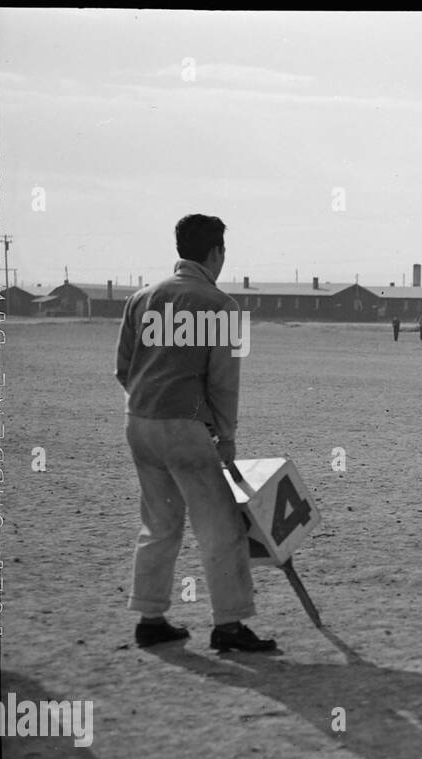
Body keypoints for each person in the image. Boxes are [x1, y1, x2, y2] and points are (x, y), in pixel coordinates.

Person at [114, 213, 277, 652]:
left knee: (160, 522)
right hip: (185, 427)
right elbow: (224, 381)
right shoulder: (221, 305)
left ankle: (150, 617)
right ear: (216, 253)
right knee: (220, 528)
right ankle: (229, 626)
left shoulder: (142, 298)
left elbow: (123, 368)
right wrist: (225, 437)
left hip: (139, 421)